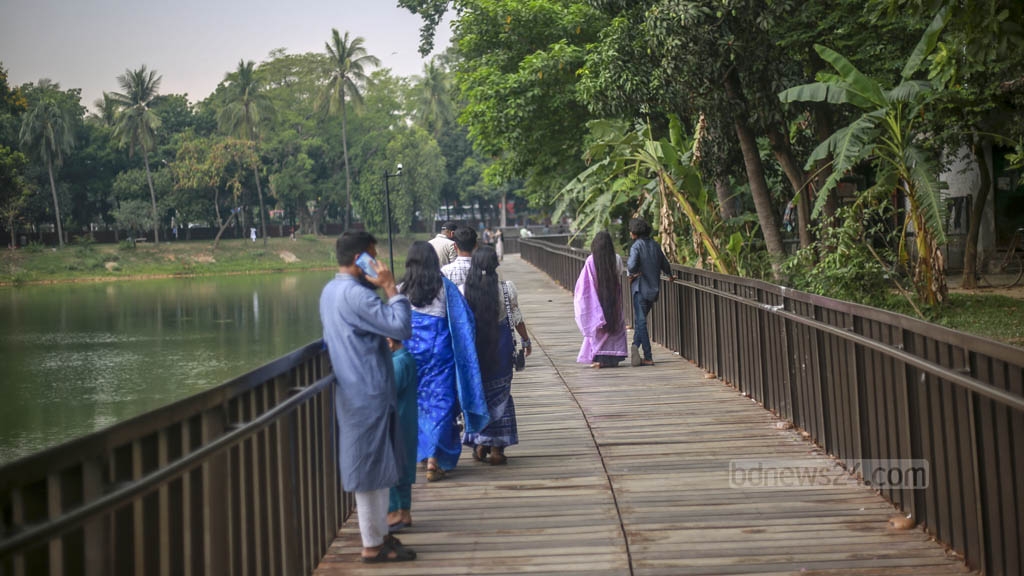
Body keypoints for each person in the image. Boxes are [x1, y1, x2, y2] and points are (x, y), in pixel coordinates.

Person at [319, 230, 416, 563]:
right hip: (368, 391)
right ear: (360, 259)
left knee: (376, 466)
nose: (377, 264)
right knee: (368, 469)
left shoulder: (330, 291)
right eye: (372, 257)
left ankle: (380, 537)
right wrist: (390, 288)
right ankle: (372, 545)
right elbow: (401, 327)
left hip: (354, 389)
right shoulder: (359, 297)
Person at [399, 241, 490, 482]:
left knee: (417, 403)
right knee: (441, 403)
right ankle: (433, 460)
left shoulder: (400, 291)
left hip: (411, 354)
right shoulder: (445, 289)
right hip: (440, 354)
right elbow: (465, 322)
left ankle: (422, 453)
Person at [461, 246, 531, 465]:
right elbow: (516, 318)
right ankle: (497, 449)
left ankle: (480, 443)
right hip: (501, 350)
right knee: (500, 397)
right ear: (496, 265)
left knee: (480, 395)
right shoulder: (506, 289)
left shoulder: (464, 291)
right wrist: (526, 340)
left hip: (475, 352)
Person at [574, 231, 627, 368]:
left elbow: (584, 285)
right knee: (615, 324)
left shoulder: (590, 261)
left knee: (599, 326)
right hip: (613, 297)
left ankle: (599, 357)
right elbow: (619, 272)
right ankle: (614, 357)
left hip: (596, 300)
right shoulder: (616, 259)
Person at [626, 218, 671, 367]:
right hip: (653, 289)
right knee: (641, 321)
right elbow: (665, 264)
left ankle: (648, 356)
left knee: (641, 322)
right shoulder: (655, 245)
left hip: (640, 288)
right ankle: (634, 346)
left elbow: (631, 266)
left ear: (634, 233)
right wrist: (670, 276)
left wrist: (634, 273)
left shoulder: (636, 247)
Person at [387, 337, 418, 533]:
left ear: (389, 342)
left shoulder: (397, 363)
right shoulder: (407, 358)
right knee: (405, 467)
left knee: (391, 467)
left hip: (396, 421)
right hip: (408, 421)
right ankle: (405, 511)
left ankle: (394, 511)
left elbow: (389, 391)